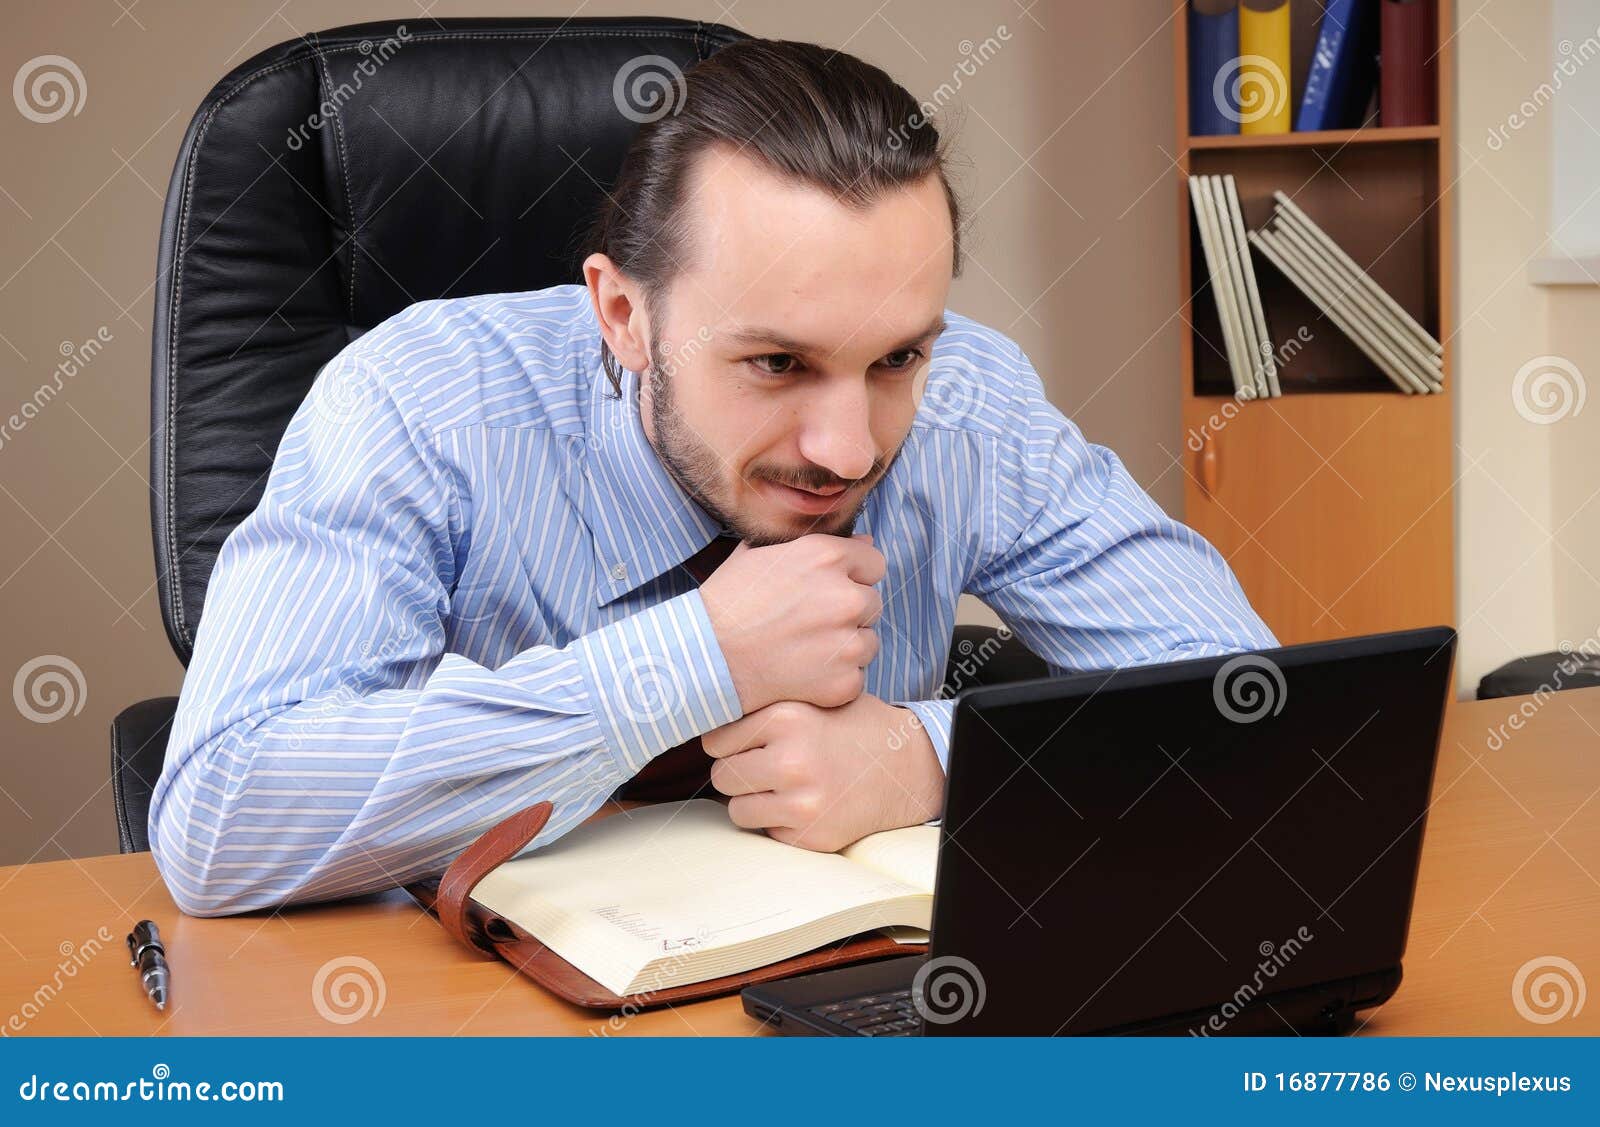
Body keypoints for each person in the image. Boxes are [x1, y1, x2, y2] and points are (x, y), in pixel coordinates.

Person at [148, 38, 1275, 916]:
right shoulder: (418, 400)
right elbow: (222, 818)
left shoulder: (968, 398)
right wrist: (692, 660)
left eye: (896, 357)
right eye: (776, 363)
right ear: (625, 314)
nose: (846, 447)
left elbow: (1253, 709)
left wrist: (932, 759)